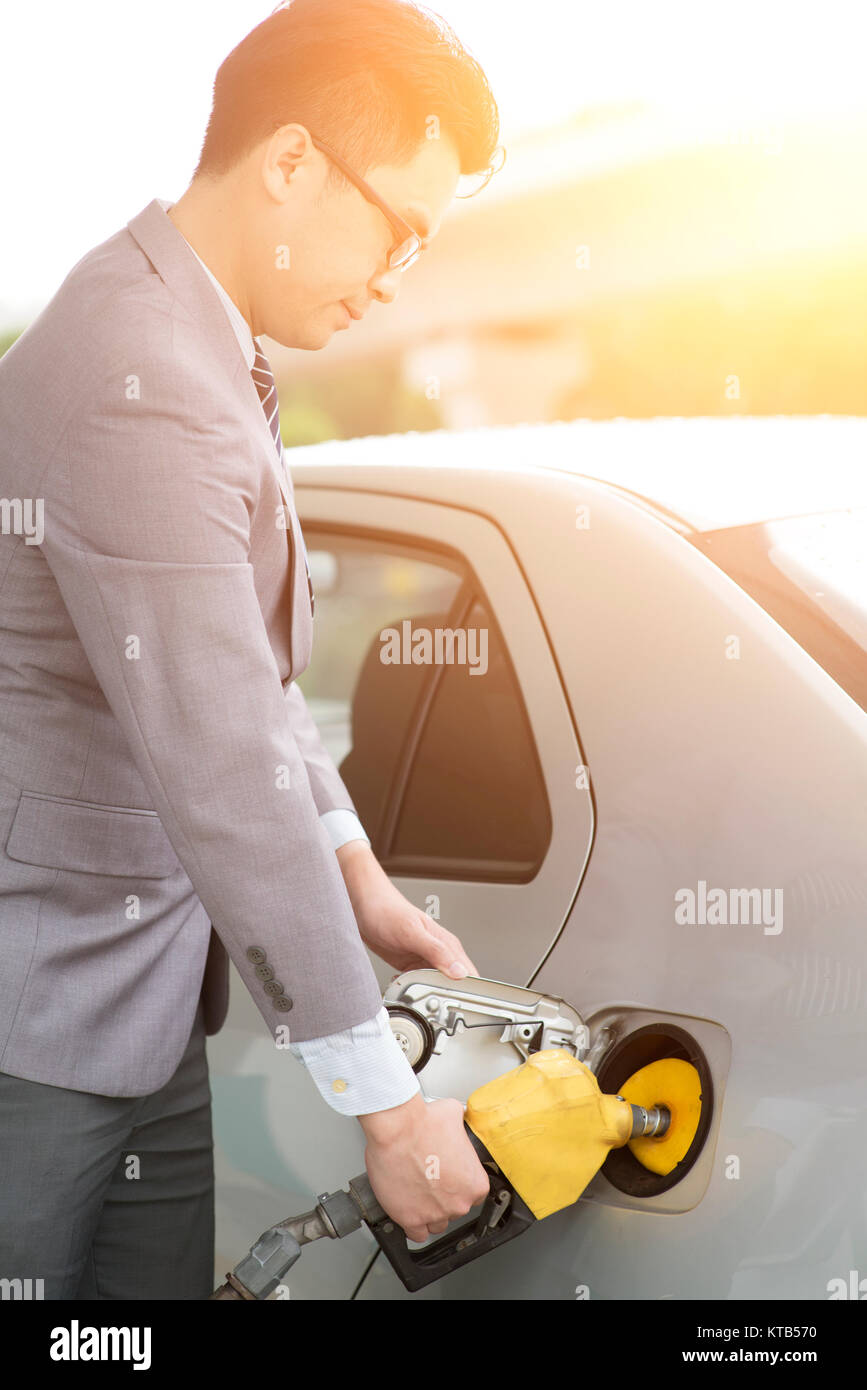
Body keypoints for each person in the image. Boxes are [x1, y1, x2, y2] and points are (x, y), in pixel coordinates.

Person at [0, 0, 502, 1298]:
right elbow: (225, 751)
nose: (398, 278)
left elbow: (260, 682)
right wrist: (391, 1115)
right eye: (401, 228)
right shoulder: (141, 369)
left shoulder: (200, 339)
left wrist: (360, 876)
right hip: (32, 1028)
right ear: (288, 162)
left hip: (141, 1008)